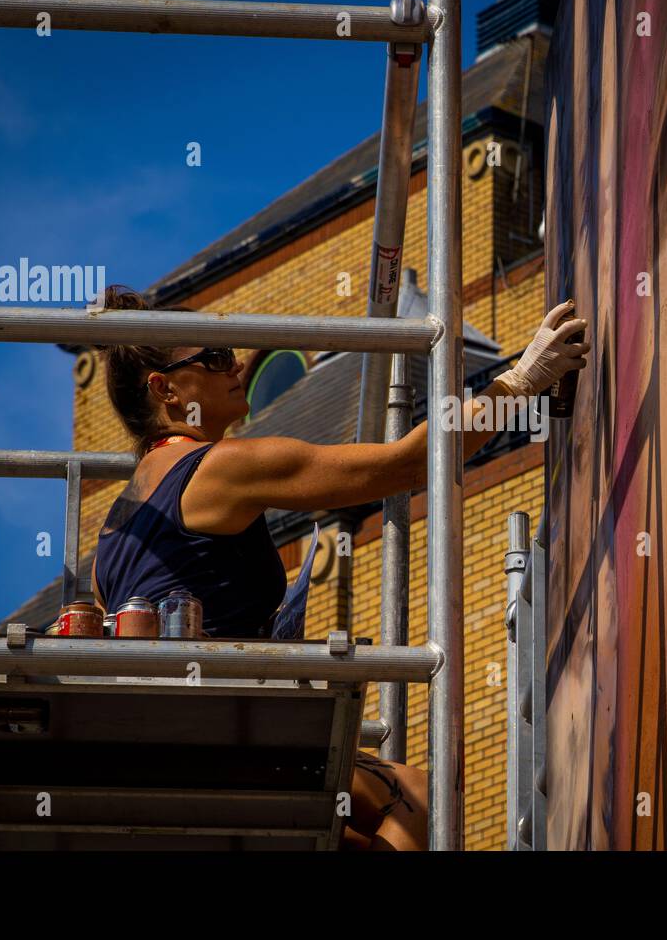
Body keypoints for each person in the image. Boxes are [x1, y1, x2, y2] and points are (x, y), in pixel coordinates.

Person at [88, 284, 589, 850]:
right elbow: (408, 462)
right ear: (167, 389)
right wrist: (518, 384)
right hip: (222, 736)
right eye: (216, 356)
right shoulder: (220, 469)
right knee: (422, 795)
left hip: (171, 750)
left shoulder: (113, 532)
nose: (237, 367)